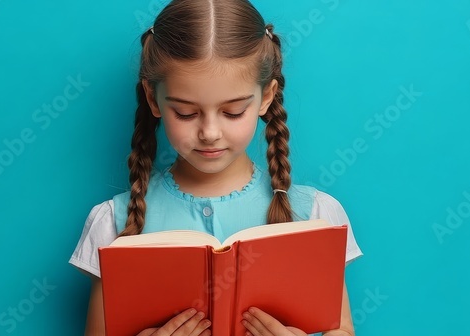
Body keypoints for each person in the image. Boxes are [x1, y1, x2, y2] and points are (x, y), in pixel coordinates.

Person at [68, 1, 364, 335]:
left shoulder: (316, 216)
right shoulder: (114, 223)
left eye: (233, 112)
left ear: (266, 97)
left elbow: (342, 329)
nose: (210, 133)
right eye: (185, 113)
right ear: (153, 99)